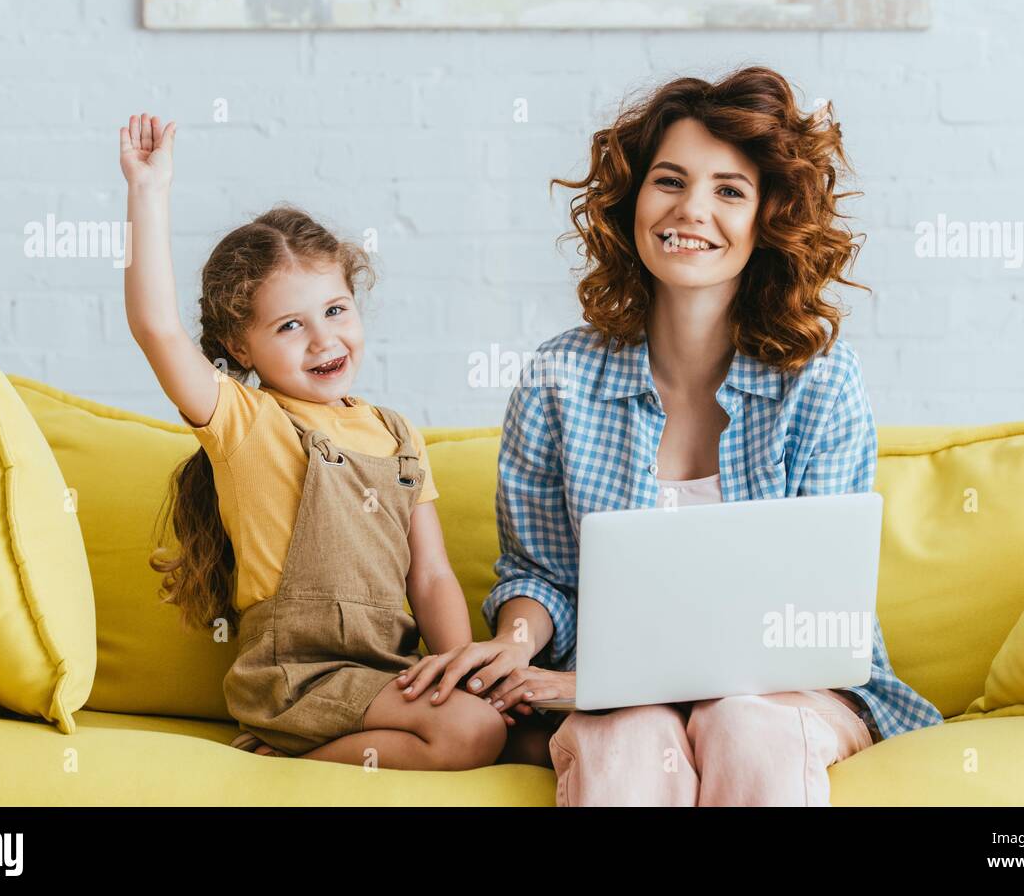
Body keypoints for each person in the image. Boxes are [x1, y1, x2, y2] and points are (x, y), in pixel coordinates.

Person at [394, 67, 945, 804]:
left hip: (789, 692)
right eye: (669, 181)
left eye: (729, 190)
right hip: (616, 696)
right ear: (631, 201)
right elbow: (541, 575)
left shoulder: (821, 379)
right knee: (623, 735)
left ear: (767, 218)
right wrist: (515, 644)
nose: (691, 210)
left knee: (743, 725)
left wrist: (606, 680)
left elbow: (818, 611)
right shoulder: (559, 376)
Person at [118, 112, 506, 770]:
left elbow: (432, 573)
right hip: (295, 675)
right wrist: (148, 192)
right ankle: (284, 754)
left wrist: (453, 666)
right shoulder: (245, 421)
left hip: (386, 671)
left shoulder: (396, 431)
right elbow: (156, 327)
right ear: (240, 346)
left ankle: (328, 745)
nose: (323, 338)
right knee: (472, 733)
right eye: (290, 325)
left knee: (509, 725)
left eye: (334, 310)